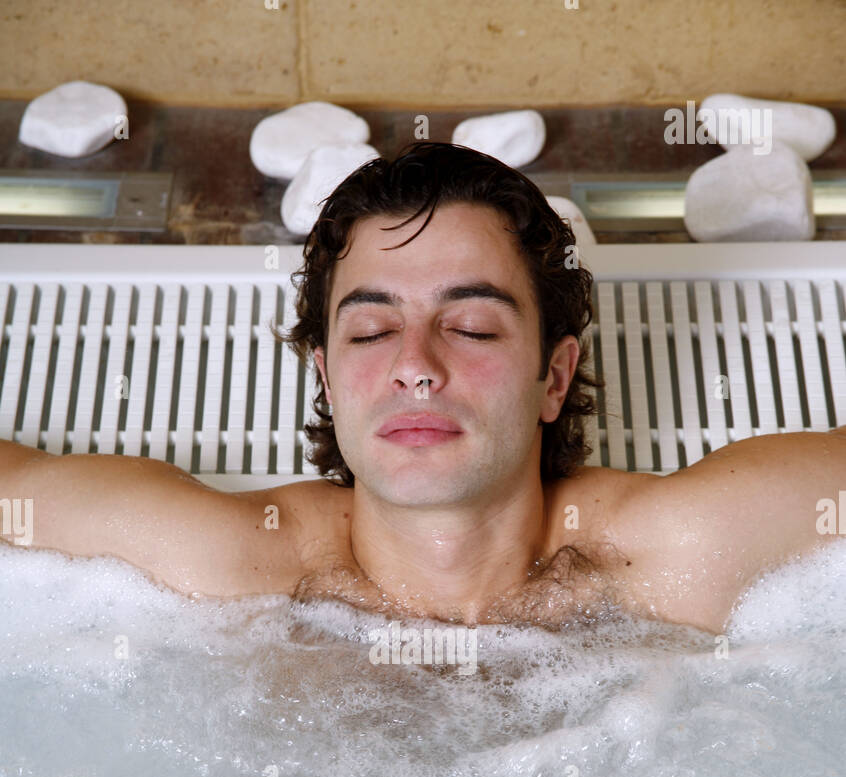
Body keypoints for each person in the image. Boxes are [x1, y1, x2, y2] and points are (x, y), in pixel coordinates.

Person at [1, 141, 844, 634]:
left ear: (555, 376)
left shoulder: (669, 556)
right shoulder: (233, 568)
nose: (416, 365)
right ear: (326, 376)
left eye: (471, 326)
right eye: (370, 330)